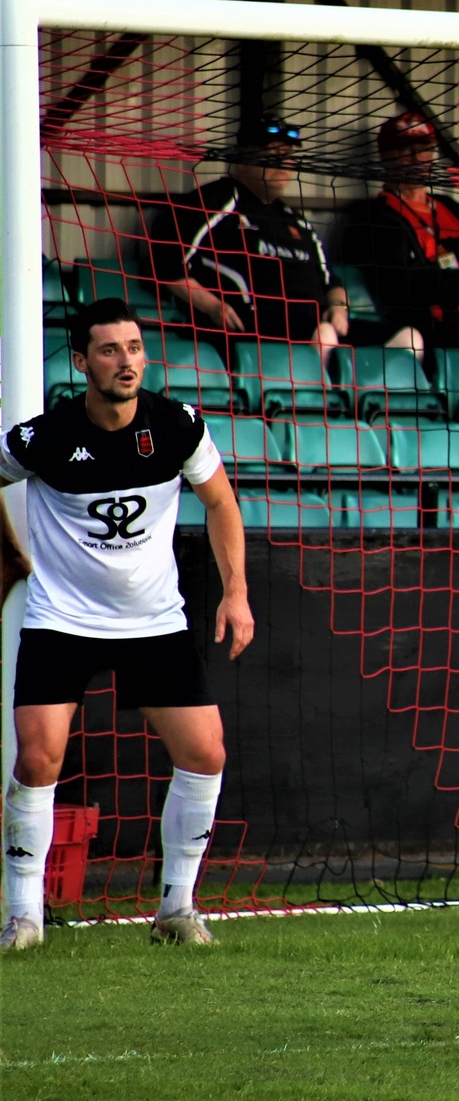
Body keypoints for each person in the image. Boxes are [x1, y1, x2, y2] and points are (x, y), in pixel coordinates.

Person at [0, 300, 254, 951]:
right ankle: (24, 917)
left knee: (206, 751)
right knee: (37, 755)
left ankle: (176, 907)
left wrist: (237, 593)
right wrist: (8, 554)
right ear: (82, 362)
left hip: (153, 622)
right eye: (110, 350)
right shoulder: (45, 436)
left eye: (135, 347)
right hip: (62, 620)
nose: (126, 361)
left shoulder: (177, 427)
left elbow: (221, 499)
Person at [150, 118, 352, 364]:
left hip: (314, 326)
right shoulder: (217, 200)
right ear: (245, 158)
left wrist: (339, 307)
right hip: (251, 330)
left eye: (288, 154)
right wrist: (214, 306)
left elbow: (331, 282)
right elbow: (167, 263)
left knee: (408, 338)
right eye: (273, 153)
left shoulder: (296, 221)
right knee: (324, 335)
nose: (284, 162)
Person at [330, 111, 459, 354]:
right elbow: (410, 285)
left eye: (424, 148)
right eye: (406, 150)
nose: (418, 157)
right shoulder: (373, 218)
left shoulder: (448, 207)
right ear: (386, 155)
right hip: (435, 332)